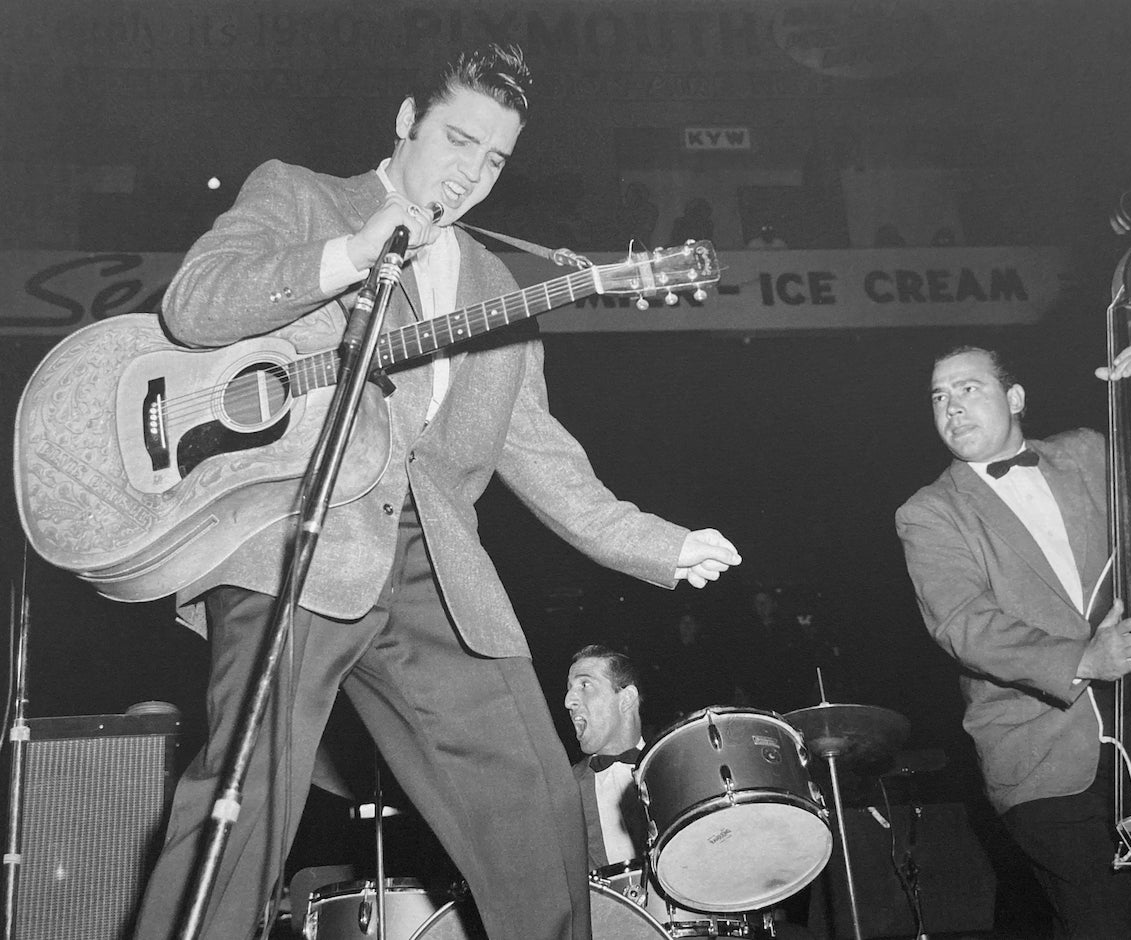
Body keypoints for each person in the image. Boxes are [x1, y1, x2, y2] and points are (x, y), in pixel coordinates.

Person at [134, 43, 741, 940]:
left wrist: (658, 542)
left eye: (494, 159)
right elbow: (195, 303)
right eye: (457, 139)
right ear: (405, 120)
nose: (472, 172)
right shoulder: (303, 195)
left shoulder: (499, 287)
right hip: (298, 533)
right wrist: (348, 255)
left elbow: (543, 456)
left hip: (437, 569)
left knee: (536, 809)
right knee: (246, 786)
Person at [896, 343, 1131, 938]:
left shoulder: (1087, 452)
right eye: (939, 397)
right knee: (1105, 922)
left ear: (1015, 399)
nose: (951, 407)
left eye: (968, 389)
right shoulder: (928, 512)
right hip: (1046, 760)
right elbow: (963, 624)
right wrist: (1085, 658)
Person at [564, 645, 648, 871]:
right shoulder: (563, 790)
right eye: (569, 689)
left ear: (626, 698)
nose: (568, 701)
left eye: (584, 685)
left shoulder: (674, 769)